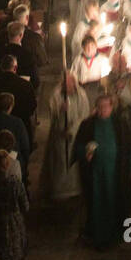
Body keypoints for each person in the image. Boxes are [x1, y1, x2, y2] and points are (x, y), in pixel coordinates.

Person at [73, 94, 131, 249]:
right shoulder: (88, 125)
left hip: (116, 172)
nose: (103, 110)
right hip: (95, 174)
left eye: (106, 106)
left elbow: (129, 147)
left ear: (111, 107)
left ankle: (116, 233)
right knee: (97, 202)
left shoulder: (120, 124)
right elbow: (78, 147)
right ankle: (97, 233)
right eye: (100, 107)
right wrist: (85, 153)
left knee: (115, 200)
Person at [40, 73, 90, 202]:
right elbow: (52, 113)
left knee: (73, 163)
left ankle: (74, 189)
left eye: (70, 83)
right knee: (60, 162)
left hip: (75, 135)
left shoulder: (81, 95)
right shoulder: (56, 95)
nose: (68, 86)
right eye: (65, 84)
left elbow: (84, 115)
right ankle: (59, 189)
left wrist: (72, 129)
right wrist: (60, 110)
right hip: (59, 136)